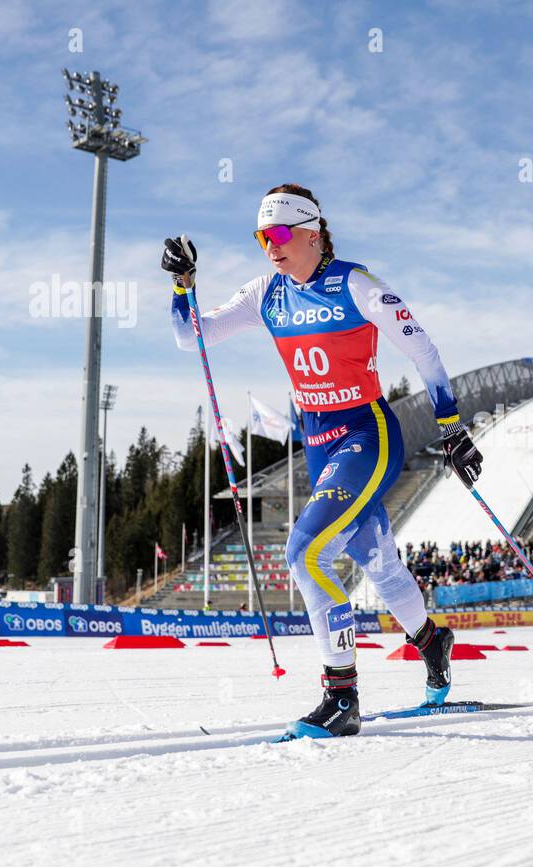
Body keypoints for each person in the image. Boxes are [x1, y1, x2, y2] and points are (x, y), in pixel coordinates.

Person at [162, 184, 484, 738]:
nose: (270, 246)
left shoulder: (356, 284)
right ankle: (432, 640)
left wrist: (451, 427)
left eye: (280, 234)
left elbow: (423, 349)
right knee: (376, 559)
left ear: (313, 231)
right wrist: (181, 284)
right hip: (318, 441)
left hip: (367, 432)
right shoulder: (266, 291)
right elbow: (193, 338)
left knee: (306, 552)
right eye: (262, 236)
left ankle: (341, 696)